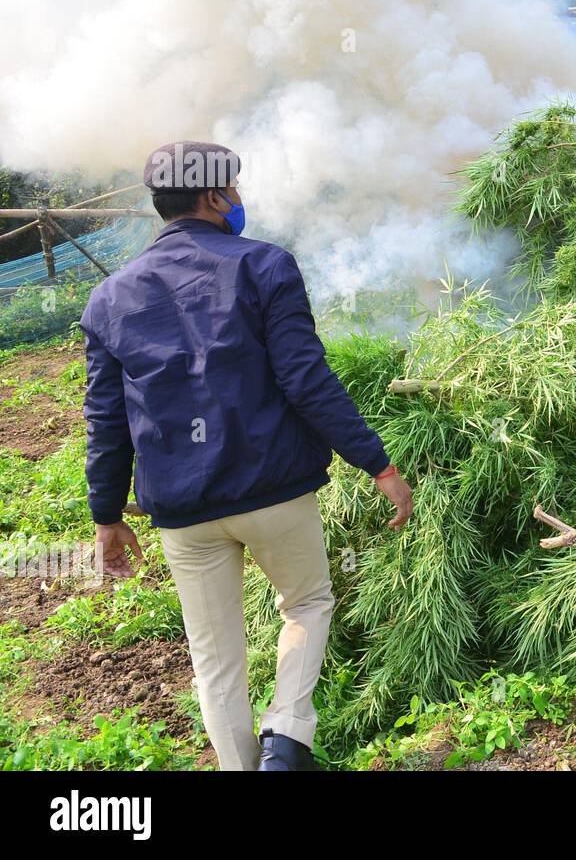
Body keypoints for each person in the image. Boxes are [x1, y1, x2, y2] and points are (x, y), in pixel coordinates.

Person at [81, 141, 414, 772]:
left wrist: (106, 516)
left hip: (182, 511)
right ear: (212, 197)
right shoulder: (265, 266)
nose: (239, 201)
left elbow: (106, 421)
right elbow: (306, 379)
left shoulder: (109, 299)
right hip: (274, 491)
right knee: (308, 604)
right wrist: (379, 464)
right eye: (233, 191)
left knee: (215, 661)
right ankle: (286, 739)